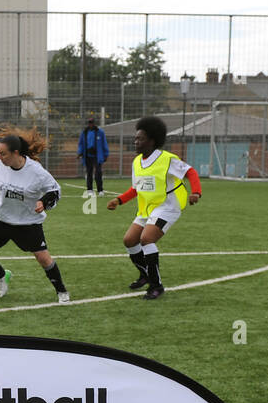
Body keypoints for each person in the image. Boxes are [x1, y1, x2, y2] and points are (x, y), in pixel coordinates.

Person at [0, 126, 69, 303]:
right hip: (2, 217)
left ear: (16, 153)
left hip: (27, 222)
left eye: (3, 154)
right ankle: (2, 275)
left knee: (43, 258)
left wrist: (43, 202)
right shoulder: (2, 165)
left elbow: (55, 190)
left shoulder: (36, 172)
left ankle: (62, 292)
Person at [106, 115, 202, 300]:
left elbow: (190, 172)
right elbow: (136, 188)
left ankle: (156, 286)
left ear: (152, 140)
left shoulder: (167, 159)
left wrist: (196, 192)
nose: (135, 142)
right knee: (129, 241)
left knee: (146, 239)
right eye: (135, 138)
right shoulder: (137, 162)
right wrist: (119, 200)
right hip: (147, 209)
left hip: (167, 207)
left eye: (139, 138)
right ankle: (145, 275)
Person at [77, 117, 109, 194]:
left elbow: (104, 143)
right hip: (87, 155)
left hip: (97, 156)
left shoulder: (100, 132)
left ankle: (100, 190)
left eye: (92, 122)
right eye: (89, 123)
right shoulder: (84, 133)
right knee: (89, 173)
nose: (90, 124)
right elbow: (81, 144)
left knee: (98, 173)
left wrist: (106, 154)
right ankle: (89, 189)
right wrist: (80, 153)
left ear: (94, 123)